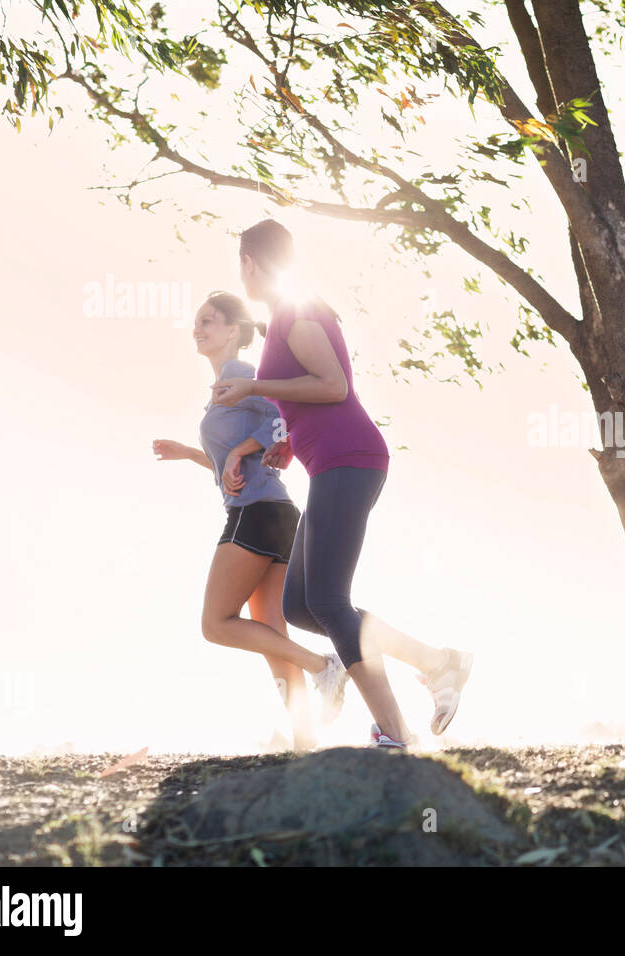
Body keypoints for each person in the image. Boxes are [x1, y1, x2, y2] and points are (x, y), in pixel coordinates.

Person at [211, 219, 472, 750]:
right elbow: (314, 394)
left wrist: (253, 386)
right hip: (333, 460)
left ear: (251, 263)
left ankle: (396, 733)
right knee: (302, 606)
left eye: (241, 265)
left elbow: (333, 385)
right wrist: (287, 441)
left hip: (349, 459)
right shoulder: (292, 312)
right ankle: (437, 663)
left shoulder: (294, 311)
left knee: (328, 599)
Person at [152, 291, 351, 752]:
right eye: (195, 322)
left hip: (256, 515)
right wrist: (194, 455)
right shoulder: (225, 384)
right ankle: (305, 741)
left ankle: (324, 666)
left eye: (208, 321)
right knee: (270, 637)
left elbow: (286, 416)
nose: (197, 329)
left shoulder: (241, 375)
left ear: (233, 331)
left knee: (217, 624)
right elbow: (239, 469)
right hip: (275, 513)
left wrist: (242, 449)